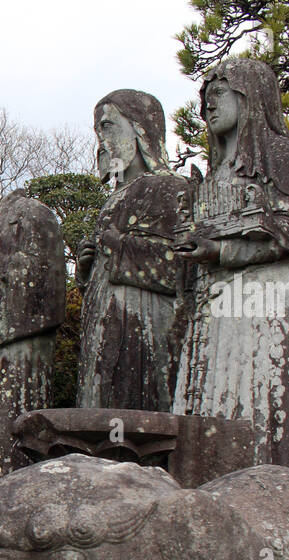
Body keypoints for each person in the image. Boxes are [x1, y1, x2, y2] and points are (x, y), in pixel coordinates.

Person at [170, 58, 289, 469]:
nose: (207, 106)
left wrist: (222, 249)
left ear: (249, 96)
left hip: (261, 307)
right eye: (204, 98)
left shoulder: (283, 154)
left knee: (256, 407)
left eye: (217, 94)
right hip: (209, 312)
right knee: (207, 409)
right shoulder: (212, 176)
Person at [77, 90, 190, 411]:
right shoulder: (112, 199)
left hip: (147, 328)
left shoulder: (171, 188)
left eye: (109, 126)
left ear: (141, 129)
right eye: (98, 130)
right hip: (103, 325)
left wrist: (117, 246)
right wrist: (87, 270)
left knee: (140, 415)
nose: (102, 139)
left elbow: (181, 267)